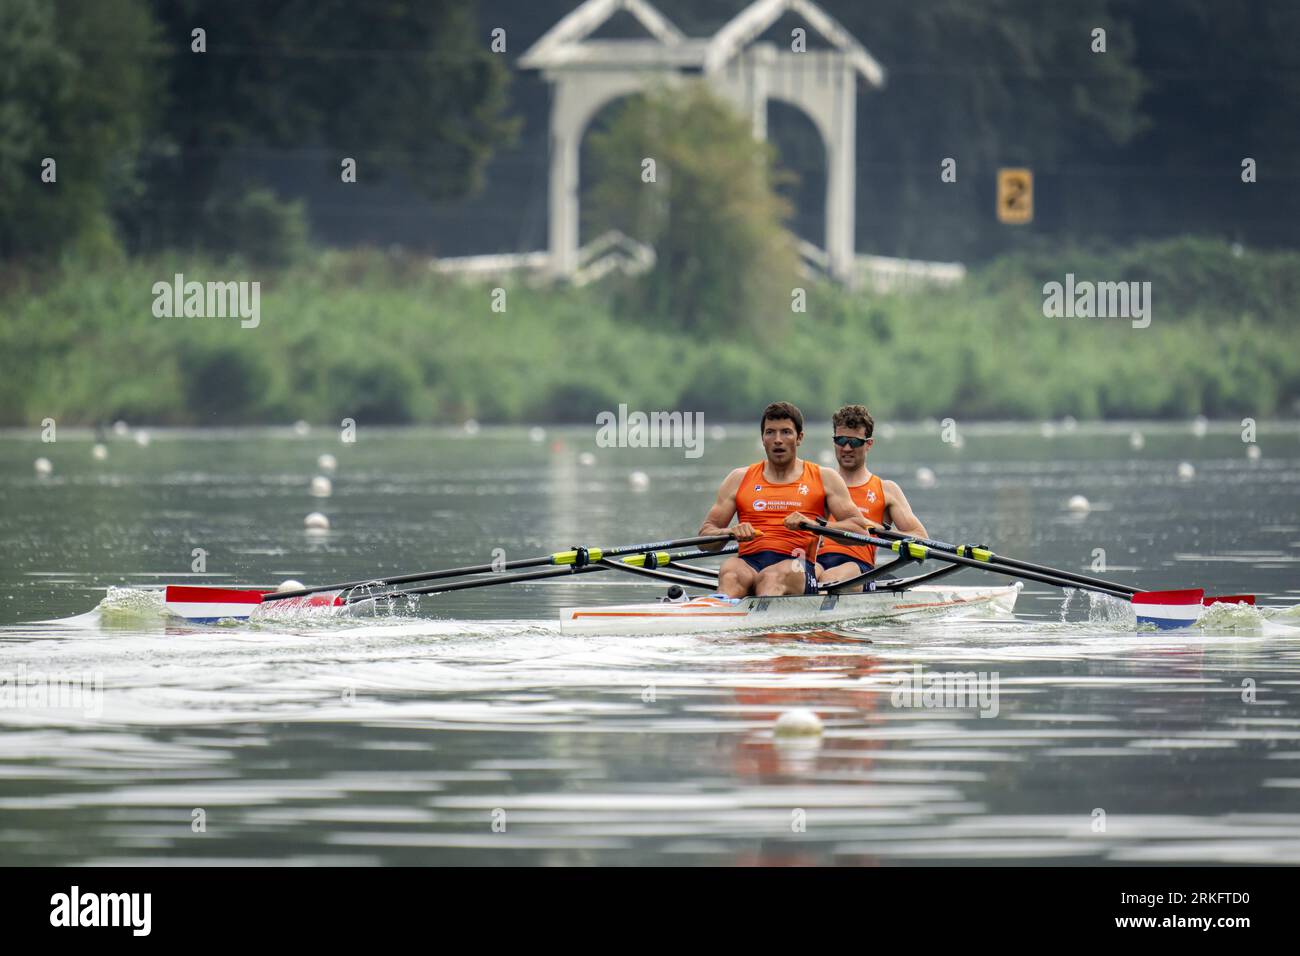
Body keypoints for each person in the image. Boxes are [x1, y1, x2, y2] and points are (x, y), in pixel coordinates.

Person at [698, 401, 867, 597]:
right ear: (763, 438)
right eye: (770, 432)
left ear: (799, 438)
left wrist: (813, 525)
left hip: (798, 564)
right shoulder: (739, 478)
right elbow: (704, 539)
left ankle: (753, 618)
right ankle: (718, 611)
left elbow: (859, 531)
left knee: (772, 577)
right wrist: (730, 532)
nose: (778, 440)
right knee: (730, 571)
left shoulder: (824, 477)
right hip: (749, 563)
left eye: (786, 432)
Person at [816, 404, 928, 590]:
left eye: (854, 442)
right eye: (840, 440)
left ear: (869, 444)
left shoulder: (886, 490)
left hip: (858, 568)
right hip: (816, 561)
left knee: (830, 577)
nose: (846, 448)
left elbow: (921, 538)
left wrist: (876, 529)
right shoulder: (819, 483)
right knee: (800, 575)